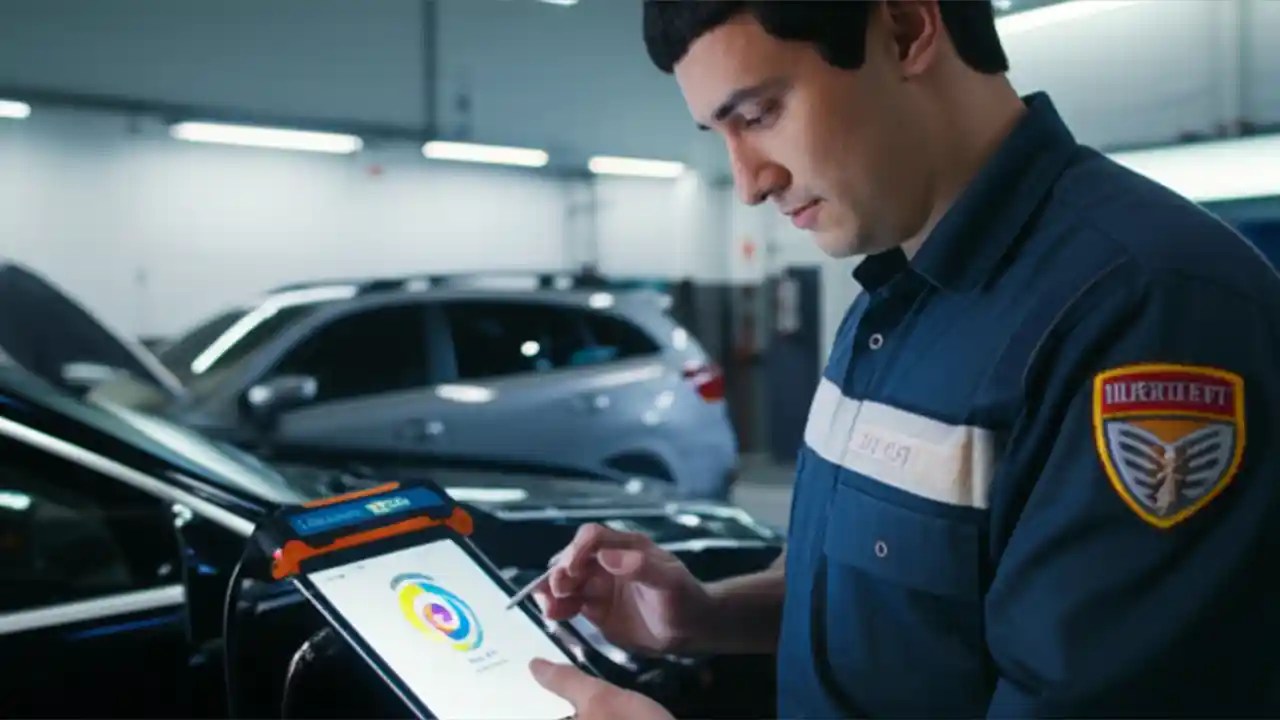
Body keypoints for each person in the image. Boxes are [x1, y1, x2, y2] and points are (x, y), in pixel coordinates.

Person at [527, 1, 1280, 717]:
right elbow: (899, 608)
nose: (751, 182)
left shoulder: (1147, 311)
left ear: (905, 28)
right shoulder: (891, 300)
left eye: (758, 115)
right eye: (719, 134)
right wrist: (706, 617)